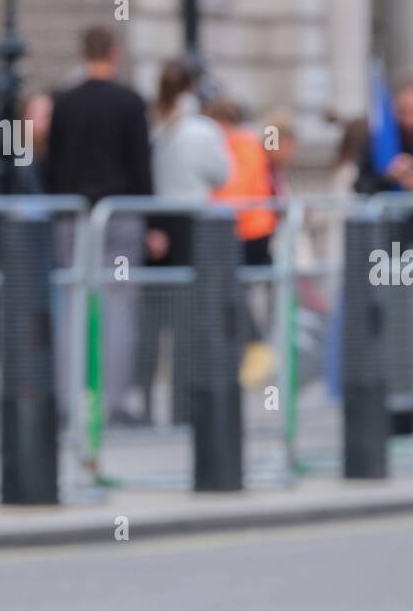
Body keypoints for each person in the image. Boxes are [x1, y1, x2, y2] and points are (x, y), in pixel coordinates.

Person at [46, 24, 153, 424]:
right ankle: (114, 402)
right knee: (119, 307)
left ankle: (69, 400)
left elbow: (53, 164)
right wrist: (152, 219)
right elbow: (141, 167)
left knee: (73, 303)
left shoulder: (65, 102)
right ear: (114, 52)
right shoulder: (130, 103)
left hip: (74, 215)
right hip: (121, 214)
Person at [137, 59, 231, 424]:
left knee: (154, 320)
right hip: (193, 224)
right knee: (189, 318)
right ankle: (182, 405)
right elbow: (222, 173)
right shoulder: (202, 130)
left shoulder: (155, 127)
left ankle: (144, 401)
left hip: (158, 226)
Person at [207, 97, 278, 387]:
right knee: (239, 292)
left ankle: (255, 350)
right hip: (256, 227)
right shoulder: (252, 144)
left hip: (244, 229)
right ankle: (251, 351)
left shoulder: (237, 146)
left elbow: (233, 191)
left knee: (235, 292)